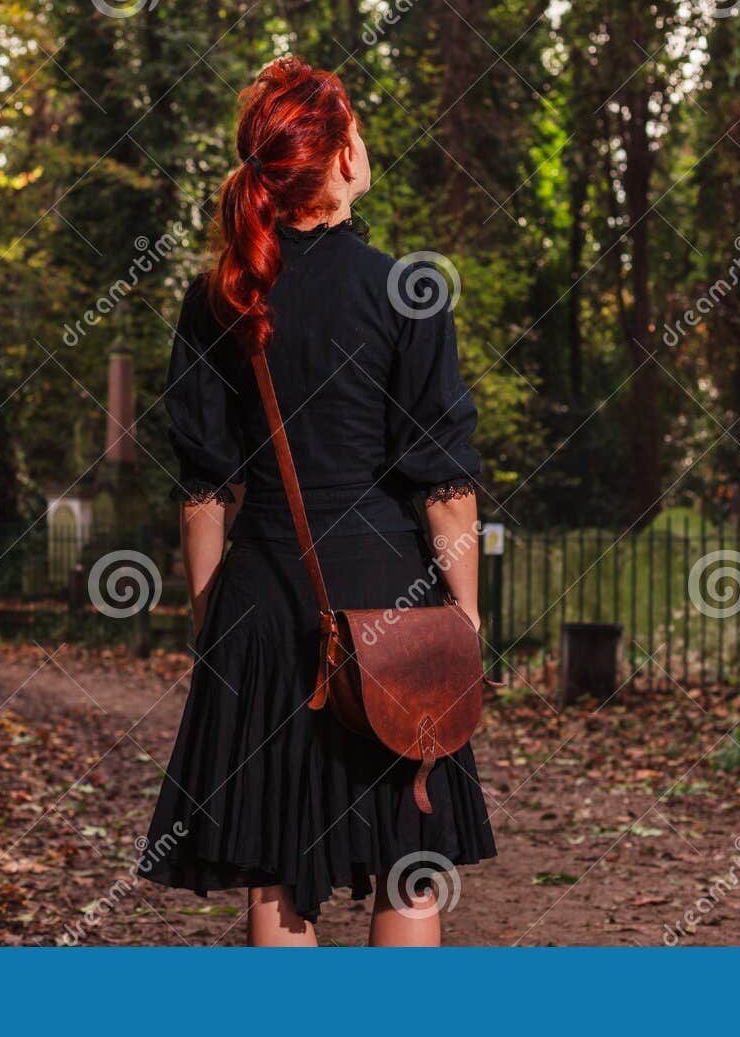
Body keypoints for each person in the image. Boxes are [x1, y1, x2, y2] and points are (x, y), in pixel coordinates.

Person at [140, 56, 495, 946]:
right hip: (394, 605)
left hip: (261, 601)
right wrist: (467, 619)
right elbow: (445, 487)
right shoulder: (407, 288)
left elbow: (203, 486)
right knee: (408, 864)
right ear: (338, 157)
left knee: (277, 870)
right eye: (355, 130)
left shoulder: (218, 294)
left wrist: (212, 615)